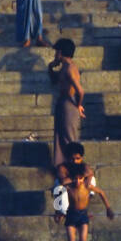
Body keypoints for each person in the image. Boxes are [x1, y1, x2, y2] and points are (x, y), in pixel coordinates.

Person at [62, 161, 113, 241]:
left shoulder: (87, 186)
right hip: (71, 215)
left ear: (83, 178)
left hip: (83, 215)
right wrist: (58, 211)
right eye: (75, 179)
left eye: (80, 179)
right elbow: (58, 191)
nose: (78, 181)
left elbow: (101, 192)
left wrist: (108, 208)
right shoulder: (68, 187)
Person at [49, 38, 84, 172]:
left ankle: (74, 171)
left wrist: (78, 105)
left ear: (61, 52)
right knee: (60, 138)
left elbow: (80, 91)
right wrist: (50, 66)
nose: (55, 55)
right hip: (63, 103)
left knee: (69, 139)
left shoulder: (69, 68)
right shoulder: (65, 67)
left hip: (69, 104)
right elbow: (55, 80)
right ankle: (61, 169)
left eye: (56, 52)